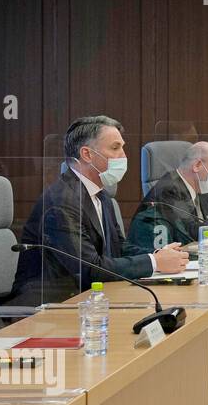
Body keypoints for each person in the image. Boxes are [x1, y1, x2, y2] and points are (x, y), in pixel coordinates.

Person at [11, 116, 188, 304]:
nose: (124, 156)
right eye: (115, 148)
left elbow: (119, 248)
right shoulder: (61, 202)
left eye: (123, 147)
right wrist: (154, 263)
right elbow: (88, 269)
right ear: (87, 154)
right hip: (49, 306)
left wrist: (157, 254)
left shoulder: (100, 194)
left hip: (90, 298)